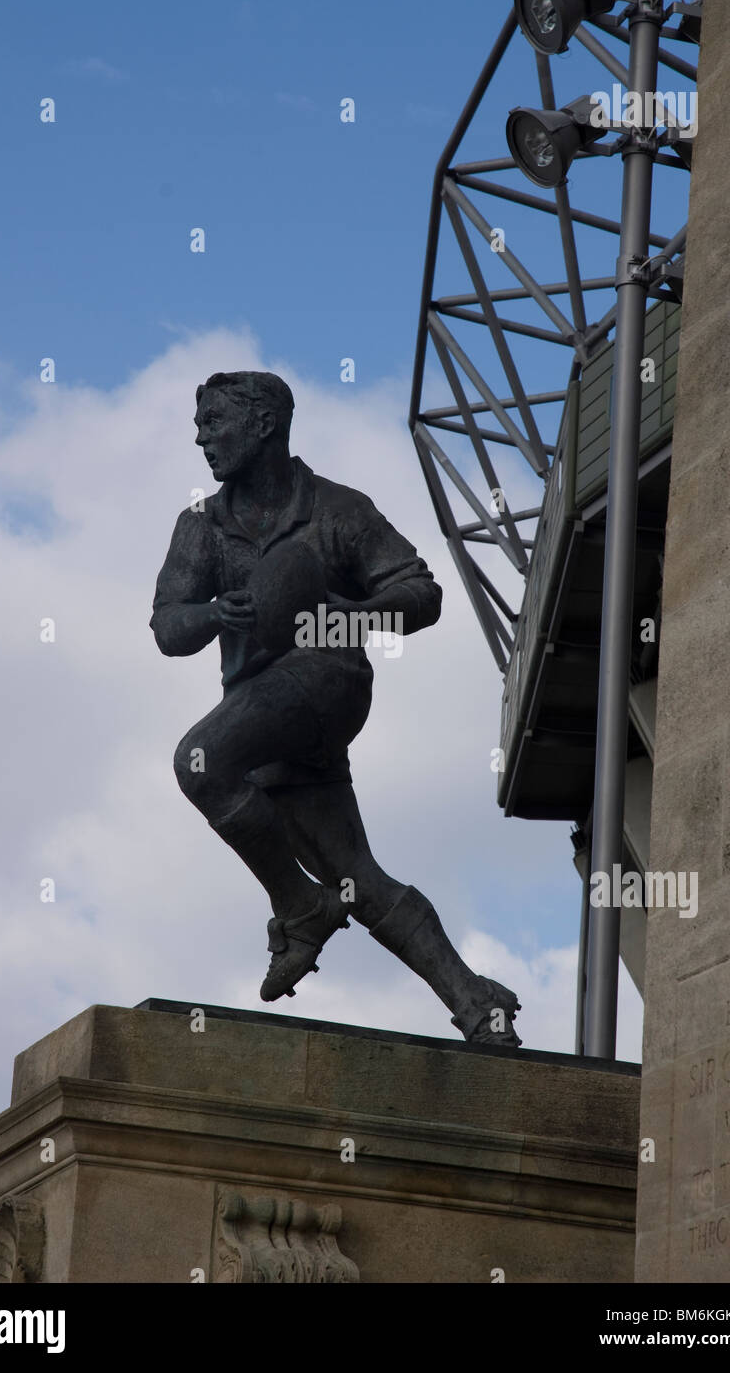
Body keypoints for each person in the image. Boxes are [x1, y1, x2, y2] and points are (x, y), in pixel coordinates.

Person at [150, 370, 520, 1046]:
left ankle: (298, 906)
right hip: (264, 727)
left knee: (198, 764)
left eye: (213, 422)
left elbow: (421, 592)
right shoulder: (199, 527)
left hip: (327, 681)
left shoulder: (340, 510)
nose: (200, 437)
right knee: (360, 881)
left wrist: (353, 617)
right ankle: (477, 1003)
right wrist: (208, 613)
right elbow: (168, 628)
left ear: (264, 425)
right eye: (199, 424)